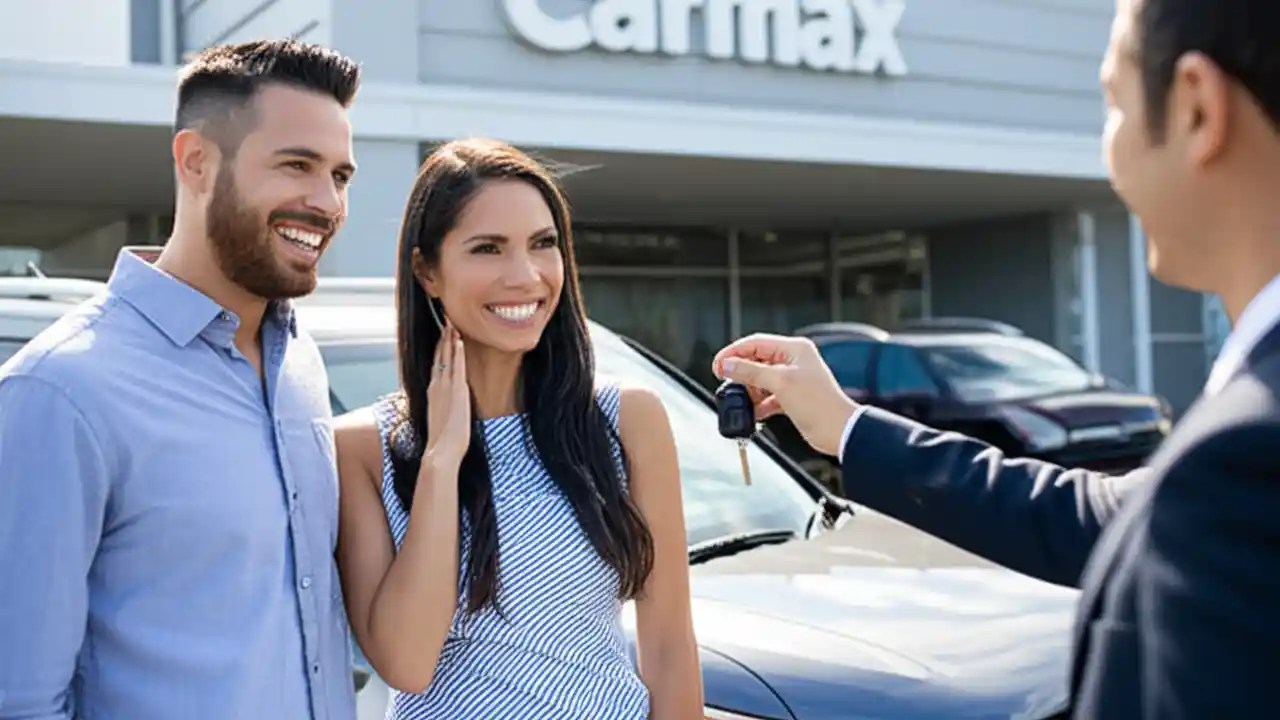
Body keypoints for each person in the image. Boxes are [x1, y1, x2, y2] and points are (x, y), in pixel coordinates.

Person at [713, 0, 1280, 717]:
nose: (1107, 152)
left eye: (1112, 103)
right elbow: (1095, 514)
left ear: (1197, 108)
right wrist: (848, 428)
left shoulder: (1246, 457)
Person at [0, 40, 361, 719]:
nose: (327, 202)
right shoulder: (60, 392)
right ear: (197, 162)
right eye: (296, 165)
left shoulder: (300, 365)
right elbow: (16, 699)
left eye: (340, 175)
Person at [331, 138, 704, 719]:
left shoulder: (627, 420)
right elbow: (407, 661)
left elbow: (669, 649)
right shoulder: (361, 449)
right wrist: (441, 460)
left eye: (543, 244)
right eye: (488, 249)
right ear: (427, 270)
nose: (526, 275)